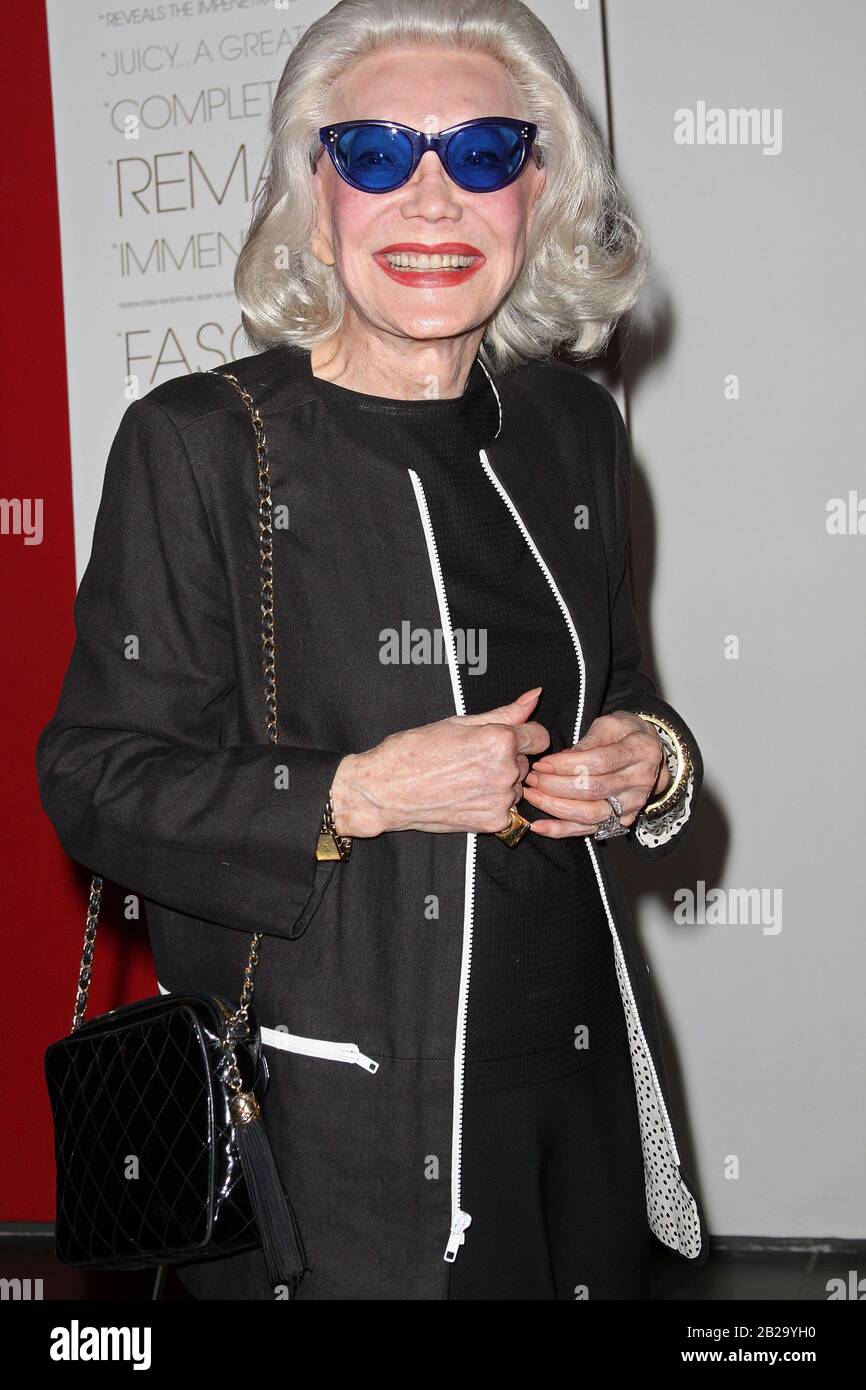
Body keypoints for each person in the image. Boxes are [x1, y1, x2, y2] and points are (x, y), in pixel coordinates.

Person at [36, 0, 708, 1300]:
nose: (432, 201)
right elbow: (96, 780)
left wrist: (647, 761)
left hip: (568, 1100)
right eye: (379, 155)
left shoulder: (570, 429)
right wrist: (357, 792)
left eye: (482, 152)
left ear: (540, 187)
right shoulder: (204, 443)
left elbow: (620, 696)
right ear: (314, 190)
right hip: (333, 1132)